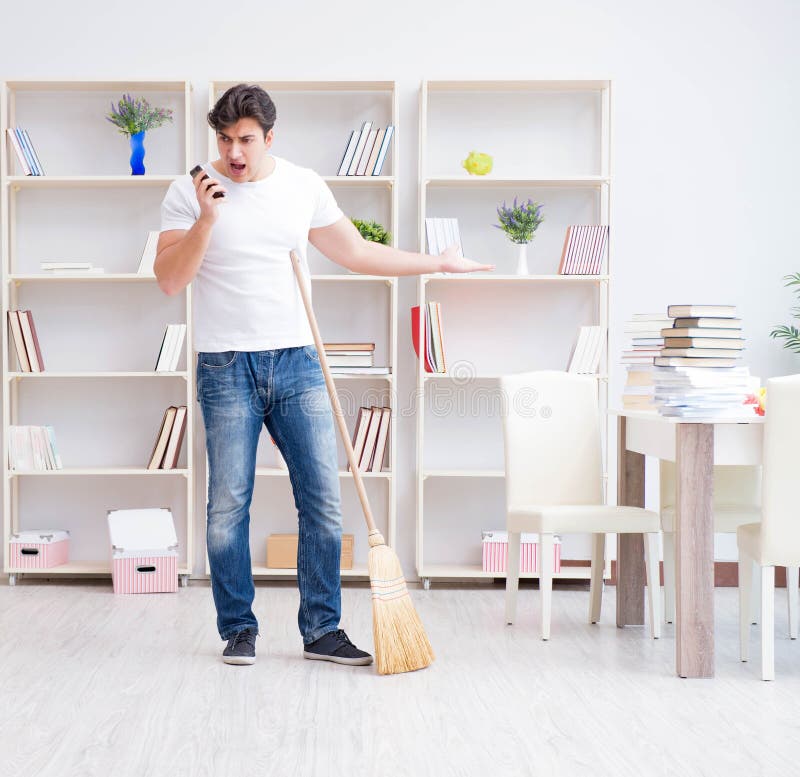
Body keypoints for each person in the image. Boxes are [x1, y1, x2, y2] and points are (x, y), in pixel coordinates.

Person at [155, 83, 493, 667]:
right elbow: (169, 279)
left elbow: (358, 253)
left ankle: (321, 631)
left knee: (323, 501)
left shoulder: (301, 186)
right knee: (227, 506)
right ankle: (239, 629)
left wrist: (437, 262)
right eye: (226, 139)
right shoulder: (189, 192)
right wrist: (207, 220)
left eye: (247, 140)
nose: (235, 153)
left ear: (269, 137)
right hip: (225, 365)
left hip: (298, 360)